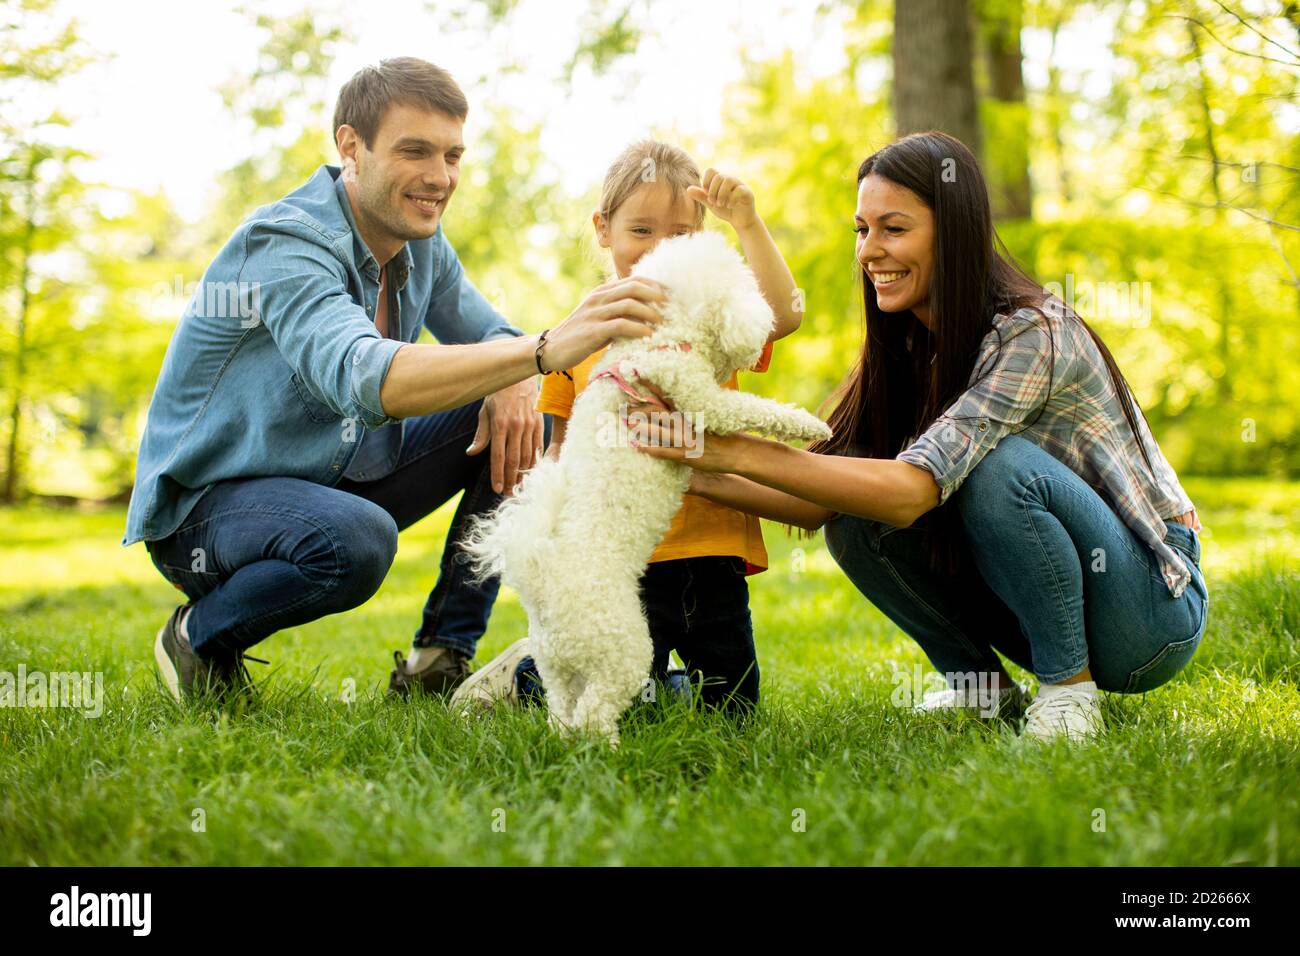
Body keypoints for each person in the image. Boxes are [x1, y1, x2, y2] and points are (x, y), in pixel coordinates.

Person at [628, 131, 1209, 741]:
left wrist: (723, 445)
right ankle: (984, 692)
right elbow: (813, 499)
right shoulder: (906, 346)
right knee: (855, 514)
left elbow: (912, 492)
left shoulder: (1033, 332)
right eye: (862, 230)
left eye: (894, 229)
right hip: (1059, 600)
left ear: (953, 231)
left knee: (999, 467)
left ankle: (1069, 695)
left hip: (1148, 609)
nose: (870, 250)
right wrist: (683, 466)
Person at [127, 58, 668, 702]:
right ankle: (198, 636)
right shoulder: (284, 244)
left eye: (452, 155)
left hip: (332, 475)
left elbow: (493, 337)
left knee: (512, 409)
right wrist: (542, 352)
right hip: (208, 510)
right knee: (355, 539)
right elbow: (367, 378)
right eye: (415, 151)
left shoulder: (421, 246)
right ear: (351, 147)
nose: (440, 178)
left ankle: (440, 657)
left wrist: (519, 375)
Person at [453, 140, 803, 716]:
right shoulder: (576, 342)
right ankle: (526, 675)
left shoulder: (710, 323)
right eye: (641, 230)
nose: (658, 250)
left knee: (734, 709)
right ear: (603, 229)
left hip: (712, 549)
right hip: (622, 559)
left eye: (680, 235)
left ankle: (655, 686)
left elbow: (783, 313)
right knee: (615, 685)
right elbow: (562, 464)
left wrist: (746, 221)